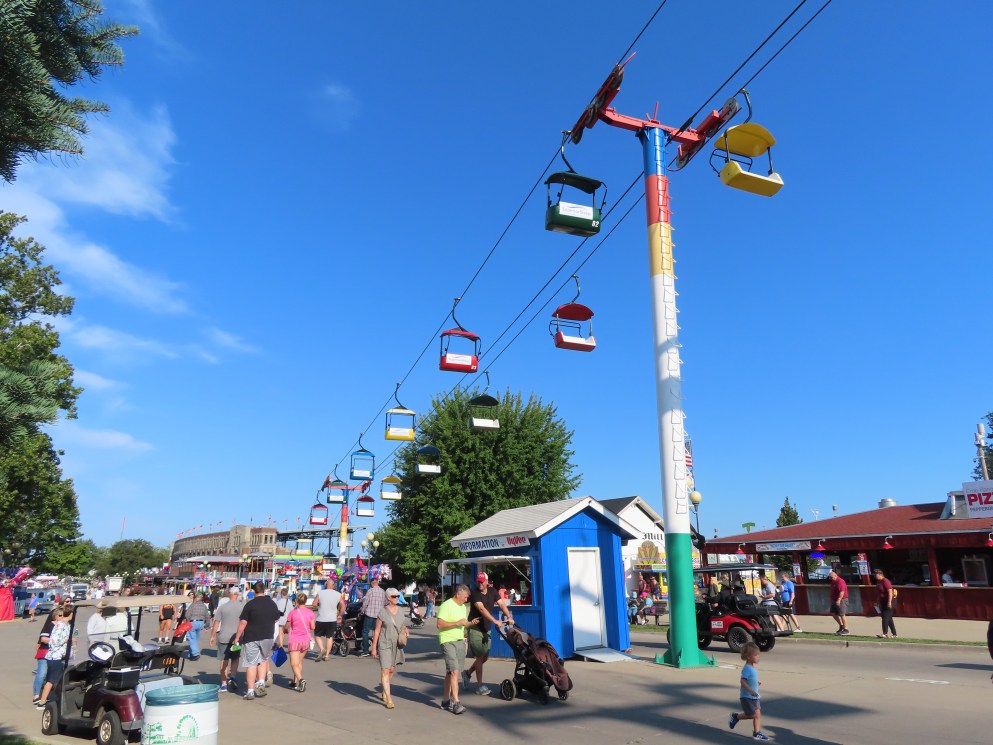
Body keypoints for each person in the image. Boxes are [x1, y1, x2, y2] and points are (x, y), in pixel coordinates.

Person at [463, 571, 515, 696]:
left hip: (486, 628)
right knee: (480, 656)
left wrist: (509, 616)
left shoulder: (493, 591)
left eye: (482, 581)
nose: (480, 584)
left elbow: (502, 603)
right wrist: (495, 620)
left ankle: (468, 673)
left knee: (485, 657)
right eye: (478, 581)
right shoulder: (475, 593)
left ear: (487, 581)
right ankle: (480, 686)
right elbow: (482, 609)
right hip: (475, 627)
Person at [234, 581, 282, 700]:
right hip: (268, 636)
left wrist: (237, 637)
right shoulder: (271, 603)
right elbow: (276, 619)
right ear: (264, 591)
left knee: (251, 663)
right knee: (263, 659)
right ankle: (260, 682)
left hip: (252, 637)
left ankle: (250, 691)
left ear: (254, 591)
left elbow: (243, 622)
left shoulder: (250, 604)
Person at [437, 583, 476, 714]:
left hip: (460, 641)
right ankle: (456, 702)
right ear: (458, 594)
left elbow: (463, 625)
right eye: (465, 597)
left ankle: (445, 700)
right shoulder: (446, 605)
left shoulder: (463, 607)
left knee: (452, 672)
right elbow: (439, 624)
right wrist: (456, 623)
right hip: (448, 640)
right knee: (454, 671)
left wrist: (470, 624)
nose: (466, 600)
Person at [371, 587, 406, 708]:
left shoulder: (401, 611)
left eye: (397, 596)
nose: (396, 598)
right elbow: (377, 631)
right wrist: (374, 648)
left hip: (396, 644)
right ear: (388, 598)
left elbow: (402, 624)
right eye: (393, 596)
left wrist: (406, 630)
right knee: (385, 670)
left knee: (391, 670)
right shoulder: (382, 612)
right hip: (384, 643)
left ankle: (385, 690)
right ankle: (389, 699)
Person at [728, 641, 769, 740]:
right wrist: (751, 691)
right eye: (756, 655)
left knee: (757, 715)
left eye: (758, 654)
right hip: (747, 697)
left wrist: (756, 682)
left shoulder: (752, 667)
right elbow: (742, 681)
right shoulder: (747, 668)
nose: (758, 656)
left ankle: (757, 733)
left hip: (754, 696)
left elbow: (750, 679)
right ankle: (736, 717)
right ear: (748, 657)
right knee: (752, 715)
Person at [210, 586, 245, 693]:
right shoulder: (242, 607)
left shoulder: (223, 607)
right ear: (238, 594)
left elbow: (216, 622)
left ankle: (224, 683)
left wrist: (212, 635)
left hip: (223, 636)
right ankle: (233, 677)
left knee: (223, 659)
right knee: (235, 658)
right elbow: (245, 622)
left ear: (229, 594)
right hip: (237, 637)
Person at [279, 592, 315, 692]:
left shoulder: (293, 613)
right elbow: (313, 627)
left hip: (295, 640)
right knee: (299, 662)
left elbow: (286, 626)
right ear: (306, 601)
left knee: (294, 664)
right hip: (305, 641)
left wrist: (285, 630)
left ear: (296, 601)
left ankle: (301, 680)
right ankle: (295, 682)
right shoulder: (310, 612)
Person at [35, 607, 70, 709]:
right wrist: (64, 640)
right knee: (45, 676)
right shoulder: (52, 625)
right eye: (59, 615)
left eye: (63, 615)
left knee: (56, 678)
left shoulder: (66, 625)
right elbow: (44, 639)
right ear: (55, 616)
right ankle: (39, 698)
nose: (62, 617)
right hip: (49, 653)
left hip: (59, 654)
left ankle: (53, 698)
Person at [313, 580, 345, 661]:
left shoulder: (320, 593)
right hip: (332, 619)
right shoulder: (337, 594)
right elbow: (343, 605)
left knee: (317, 635)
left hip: (321, 618)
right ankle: (327, 655)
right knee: (329, 636)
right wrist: (340, 615)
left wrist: (320, 606)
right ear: (333, 586)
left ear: (326, 585)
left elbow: (314, 604)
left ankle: (322, 649)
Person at [359, 577, 387, 657]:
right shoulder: (383, 591)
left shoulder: (370, 591)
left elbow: (365, 603)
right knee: (377, 632)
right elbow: (385, 603)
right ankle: (377, 650)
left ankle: (366, 650)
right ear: (377, 583)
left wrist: (362, 611)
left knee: (365, 632)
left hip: (370, 614)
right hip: (379, 616)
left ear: (371, 583)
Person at [185, 591, 211, 660]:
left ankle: (196, 653)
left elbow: (187, 615)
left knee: (191, 638)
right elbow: (207, 616)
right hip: (201, 623)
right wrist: (207, 626)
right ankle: (191, 654)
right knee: (195, 639)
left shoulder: (192, 605)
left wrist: (187, 622)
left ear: (196, 598)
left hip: (193, 622)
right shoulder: (204, 606)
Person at [874, 569, 897, 638]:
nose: (875, 576)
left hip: (890, 601)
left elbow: (890, 591)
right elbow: (879, 593)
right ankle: (894, 634)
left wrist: (889, 602)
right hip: (883, 601)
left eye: (876, 575)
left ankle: (884, 633)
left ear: (880, 574)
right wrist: (877, 602)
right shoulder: (878, 582)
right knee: (888, 618)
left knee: (885, 617)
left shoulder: (885, 581)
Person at [827, 570, 849, 635]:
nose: (830, 579)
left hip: (842, 599)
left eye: (831, 577)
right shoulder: (833, 582)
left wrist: (839, 599)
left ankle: (846, 629)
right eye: (829, 577)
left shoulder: (840, 581)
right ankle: (841, 625)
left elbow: (842, 591)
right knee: (833, 612)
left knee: (842, 614)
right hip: (834, 600)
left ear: (835, 576)